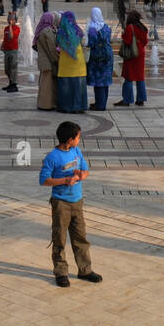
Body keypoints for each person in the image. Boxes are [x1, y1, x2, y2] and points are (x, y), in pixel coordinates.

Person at [38, 121, 102, 288]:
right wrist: (65, 180)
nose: (79, 139)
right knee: (59, 238)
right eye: (78, 137)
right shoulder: (52, 157)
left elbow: (86, 171)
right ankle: (61, 272)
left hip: (77, 201)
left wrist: (81, 174)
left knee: (80, 237)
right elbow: (44, 180)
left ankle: (85, 270)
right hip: (61, 203)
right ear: (69, 139)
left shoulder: (76, 151)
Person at [114, 9, 149, 106]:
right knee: (140, 77)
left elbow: (128, 41)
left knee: (129, 77)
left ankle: (127, 100)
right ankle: (140, 100)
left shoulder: (130, 27)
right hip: (140, 54)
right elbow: (145, 42)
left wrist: (123, 34)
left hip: (132, 54)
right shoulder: (143, 27)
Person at [54, 11, 87, 113]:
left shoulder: (61, 32)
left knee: (66, 86)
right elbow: (83, 43)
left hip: (66, 63)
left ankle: (66, 107)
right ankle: (79, 106)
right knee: (78, 86)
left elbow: (57, 44)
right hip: (79, 62)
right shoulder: (78, 30)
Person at [85, 7, 113, 111]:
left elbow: (90, 44)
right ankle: (102, 102)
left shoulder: (92, 29)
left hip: (97, 58)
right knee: (105, 82)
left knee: (98, 82)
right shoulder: (106, 27)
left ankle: (100, 105)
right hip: (108, 57)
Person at [34, 11, 59, 110]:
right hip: (48, 62)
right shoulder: (47, 31)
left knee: (44, 83)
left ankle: (42, 104)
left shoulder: (40, 30)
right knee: (47, 85)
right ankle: (47, 105)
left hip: (43, 61)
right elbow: (52, 49)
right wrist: (57, 59)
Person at [1, 11, 21, 93]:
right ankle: (10, 83)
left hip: (13, 51)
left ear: (15, 20)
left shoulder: (16, 28)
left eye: (11, 18)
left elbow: (11, 36)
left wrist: (10, 25)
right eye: (8, 18)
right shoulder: (5, 28)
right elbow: (6, 38)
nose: (9, 20)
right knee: (7, 69)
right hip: (7, 50)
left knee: (13, 68)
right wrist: (2, 45)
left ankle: (14, 85)